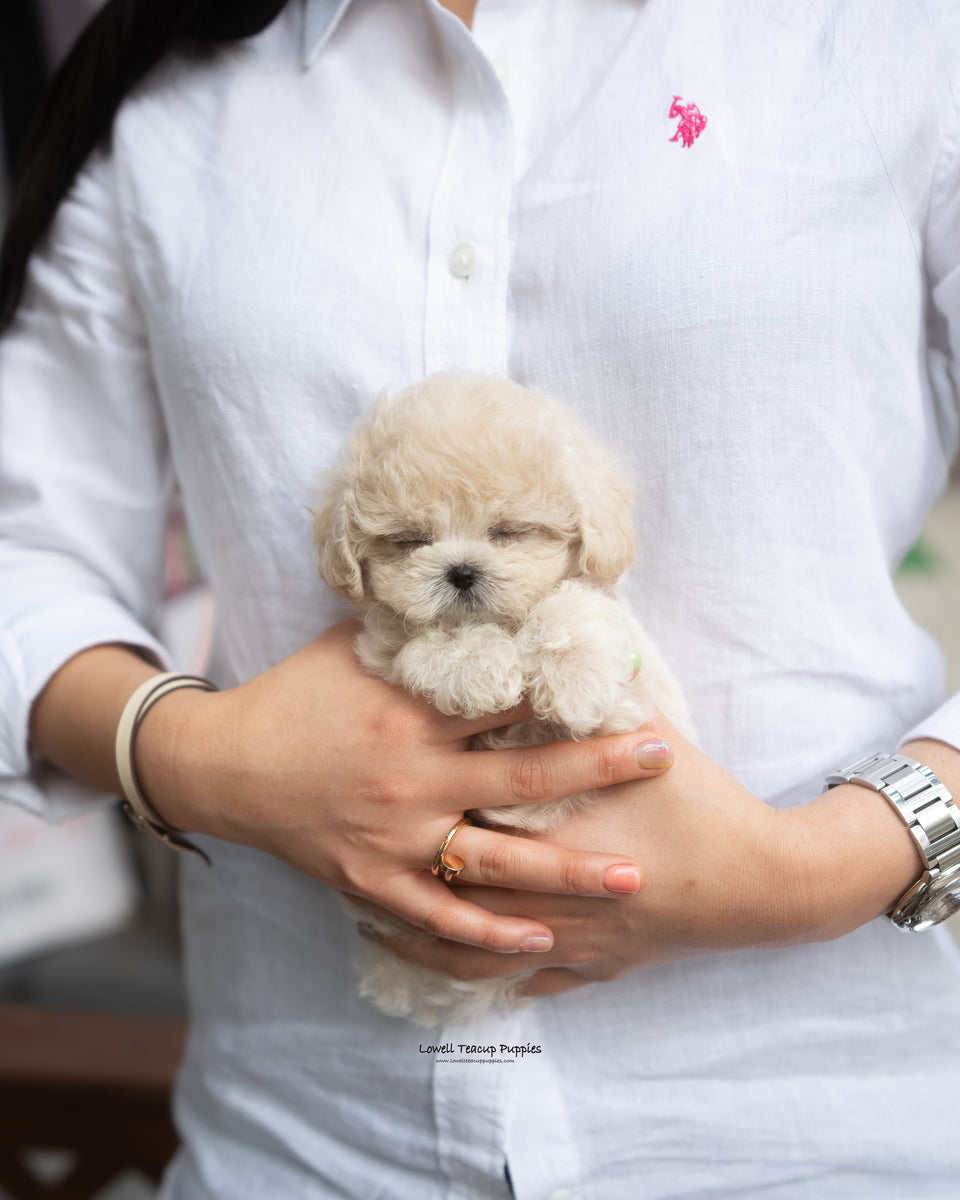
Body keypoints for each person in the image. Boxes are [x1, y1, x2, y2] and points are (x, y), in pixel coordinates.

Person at [2, 0, 959, 1195]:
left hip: (818, 1118)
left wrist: (823, 870)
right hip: (303, 1135)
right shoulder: (172, 87)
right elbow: (22, 542)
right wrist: (196, 756)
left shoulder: (900, 33)